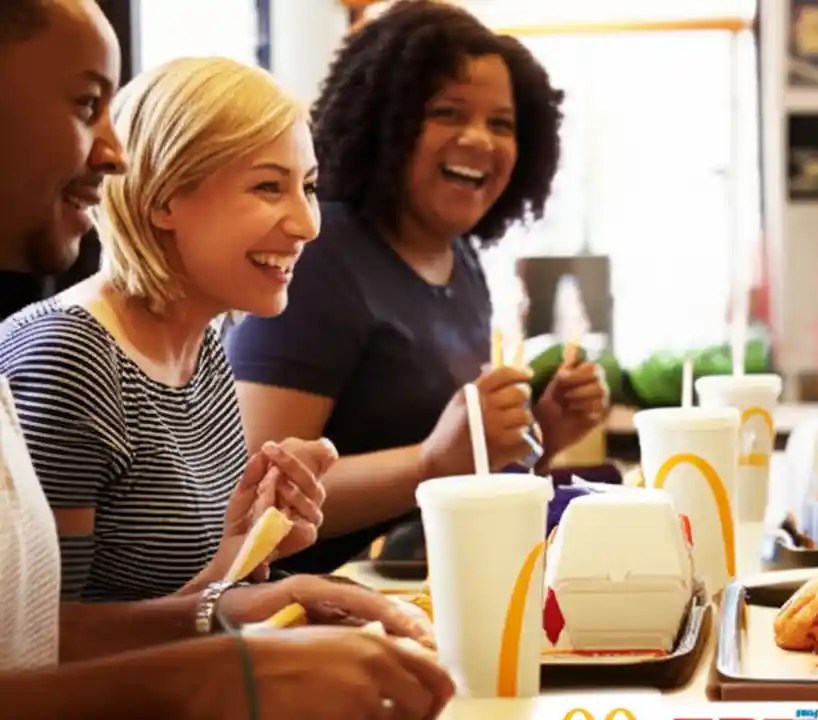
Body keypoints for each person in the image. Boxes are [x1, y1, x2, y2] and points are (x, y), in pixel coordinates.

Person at [0, 3, 453, 717]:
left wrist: (240, 563)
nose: (307, 224)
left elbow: (149, 622)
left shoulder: (207, 343)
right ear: (165, 197)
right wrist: (245, 631)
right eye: (269, 187)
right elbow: (46, 645)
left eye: (306, 186)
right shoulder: (69, 356)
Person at [224, 1, 609, 573]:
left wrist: (542, 432)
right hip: (313, 615)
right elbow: (255, 495)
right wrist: (430, 462)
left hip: (427, 591)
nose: (480, 139)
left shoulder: (464, 260)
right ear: (385, 122)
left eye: (501, 123)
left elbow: (461, 469)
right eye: (447, 112)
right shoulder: (320, 255)